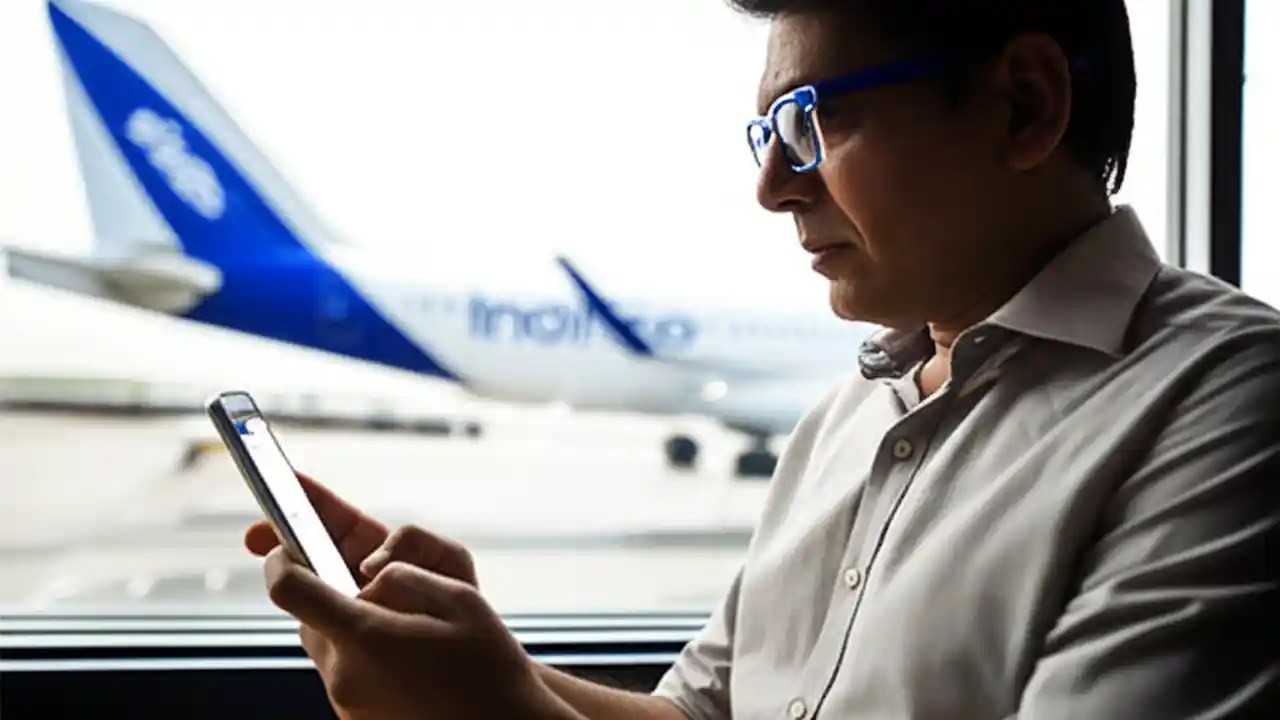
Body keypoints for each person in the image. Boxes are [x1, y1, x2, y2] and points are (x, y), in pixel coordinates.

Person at [245, 0, 1280, 717]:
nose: (773, 185)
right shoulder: (851, 416)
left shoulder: (1231, 403)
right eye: (768, 133)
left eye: (812, 119)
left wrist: (505, 715)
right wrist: (487, 667)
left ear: (1023, 104)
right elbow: (702, 716)